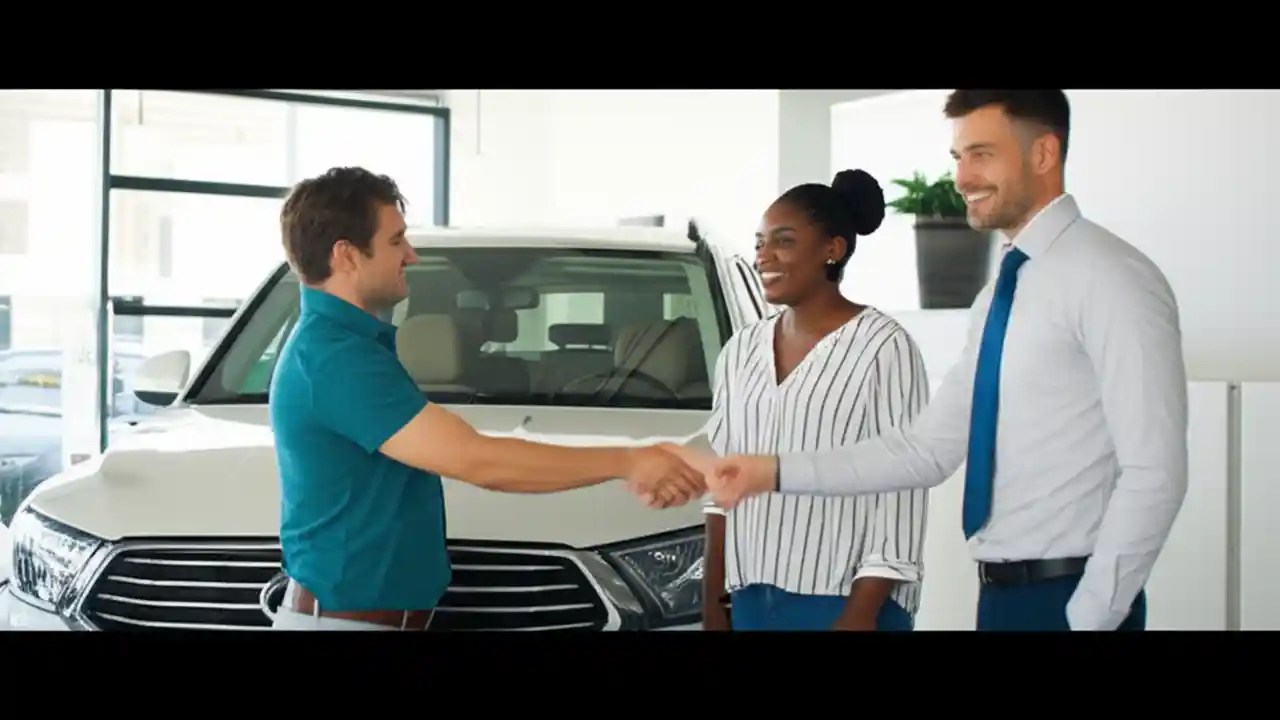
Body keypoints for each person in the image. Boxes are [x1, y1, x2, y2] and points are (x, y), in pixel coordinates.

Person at [703, 90, 1189, 632]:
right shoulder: (1001, 293)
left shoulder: (1112, 277)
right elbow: (924, 451)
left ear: (1044, 154)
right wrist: (768, 472)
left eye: (981, 154)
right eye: (958, 158)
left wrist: (1092, 613)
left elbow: (1156, 471)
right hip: (1001, 597)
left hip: (1069, 597)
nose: (961, 178)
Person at [267, 166, 704, 631]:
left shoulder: (340, 348)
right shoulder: (335, 359)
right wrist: (630, 461)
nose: (411, 256)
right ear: (347, 256)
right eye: (397, 241)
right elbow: (480, 462)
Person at [686, 171, 931, 632]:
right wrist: (714, 602)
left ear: (832, 249)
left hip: (847, 603)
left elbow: (902, 490)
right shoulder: (740, 351)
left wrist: (859, 615)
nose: (763, 256)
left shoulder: (884, 347)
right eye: (760, 243)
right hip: (751, 599)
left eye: (783, 241)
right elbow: (722, 488)